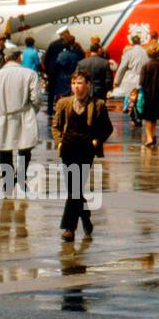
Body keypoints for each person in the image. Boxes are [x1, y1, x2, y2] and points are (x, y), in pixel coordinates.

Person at [51, 71, 113, 241]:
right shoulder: (63, 103)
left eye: (79, 83)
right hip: (68, 149)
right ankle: (85, 217)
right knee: (74, 189)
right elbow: (55, 126)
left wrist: (96, 141)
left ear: (88, 85)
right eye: (73, 83)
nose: (76, 87)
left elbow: (107, 128)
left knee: (75, 188)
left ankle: (69, 228)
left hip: (86, 150)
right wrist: (59, 142)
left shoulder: (98, 104)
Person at [0, 45, 40, 198]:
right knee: (24, 149)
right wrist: (31, 111)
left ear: (5, 58)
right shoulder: (30, 74)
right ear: (19, 58)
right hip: (24, 115)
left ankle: (7, 182)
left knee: (4, 151)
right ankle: (21, 178)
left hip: (2, 116)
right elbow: (36, 98)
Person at [45, 27, 84, 119]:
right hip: (65, 72)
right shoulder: (69, 46)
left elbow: (46, 58)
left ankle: (50, 110)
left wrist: (47, 71)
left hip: (53, 71)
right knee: (67, 92)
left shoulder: (53, 44)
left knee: (52, 92)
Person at [138, 46, 159, 148]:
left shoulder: (146, 66)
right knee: (154, 117)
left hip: (148, 95)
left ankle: (149, 137)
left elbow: (141, 82)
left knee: (147, 118)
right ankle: (154, 134)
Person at [114, 34, 147, 128]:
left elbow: (122, 67)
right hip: (143, 78)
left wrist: (117, 80)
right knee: (140, 99)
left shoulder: (129, 53)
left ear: (132, 42)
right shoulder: (146, 52)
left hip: (130, 79)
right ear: (140, 41)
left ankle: (135, 117)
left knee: (131, 99)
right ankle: (138, 116)